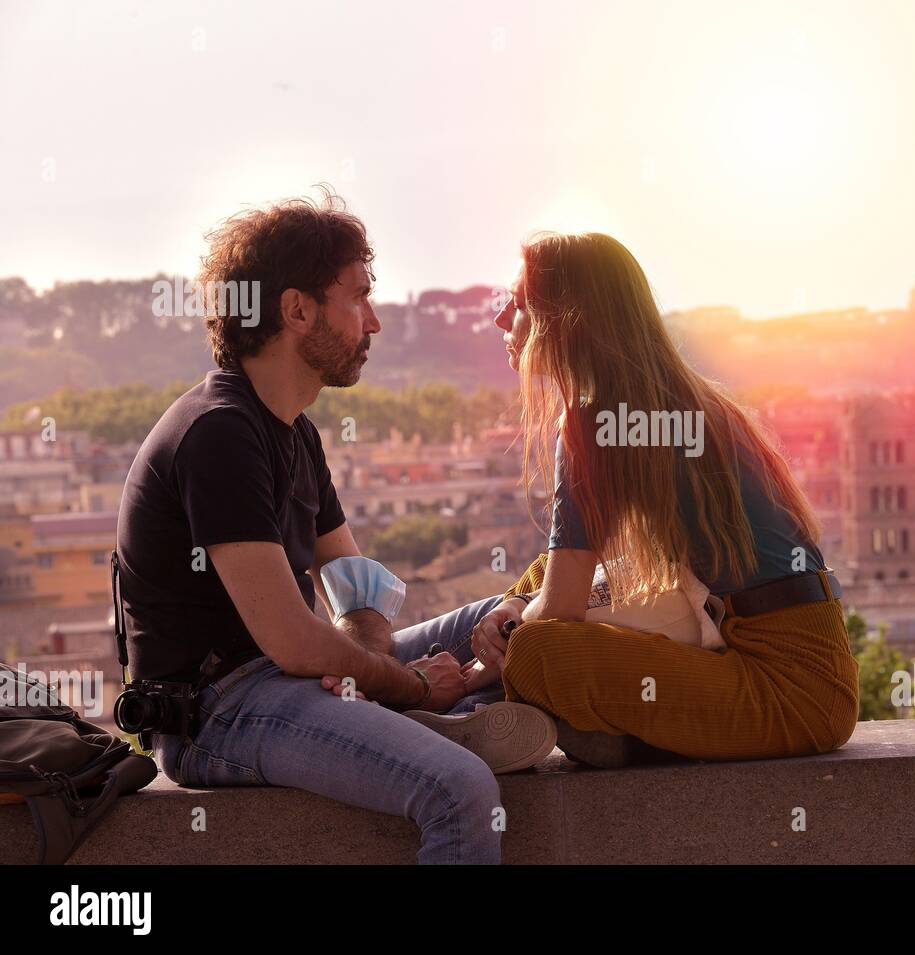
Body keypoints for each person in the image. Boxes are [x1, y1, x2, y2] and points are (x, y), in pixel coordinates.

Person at [115, 191, 553, 865]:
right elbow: (293, 640)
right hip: (220, 711)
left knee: (504, 623)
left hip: (286, 680)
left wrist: (365, 662)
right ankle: (437, 726)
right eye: (359, 296)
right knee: (462, 790)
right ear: (297, 310)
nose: (374, 321)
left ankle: (429, 718)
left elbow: (354, 589)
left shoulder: (293, 431)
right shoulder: (219, 434)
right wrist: (402, 683)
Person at [457, 231, 860, 767]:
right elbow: (573, 566)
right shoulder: (677, 408)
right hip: (807, 675)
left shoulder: (596, 424)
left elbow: (559, 610)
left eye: (517, 303)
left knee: (535, 651)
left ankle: (455, 706)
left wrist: (487, 658)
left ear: (564, 319)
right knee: (519, 618)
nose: (501, 319)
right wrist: (512, 602)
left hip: (781, 689)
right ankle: (607, 732)